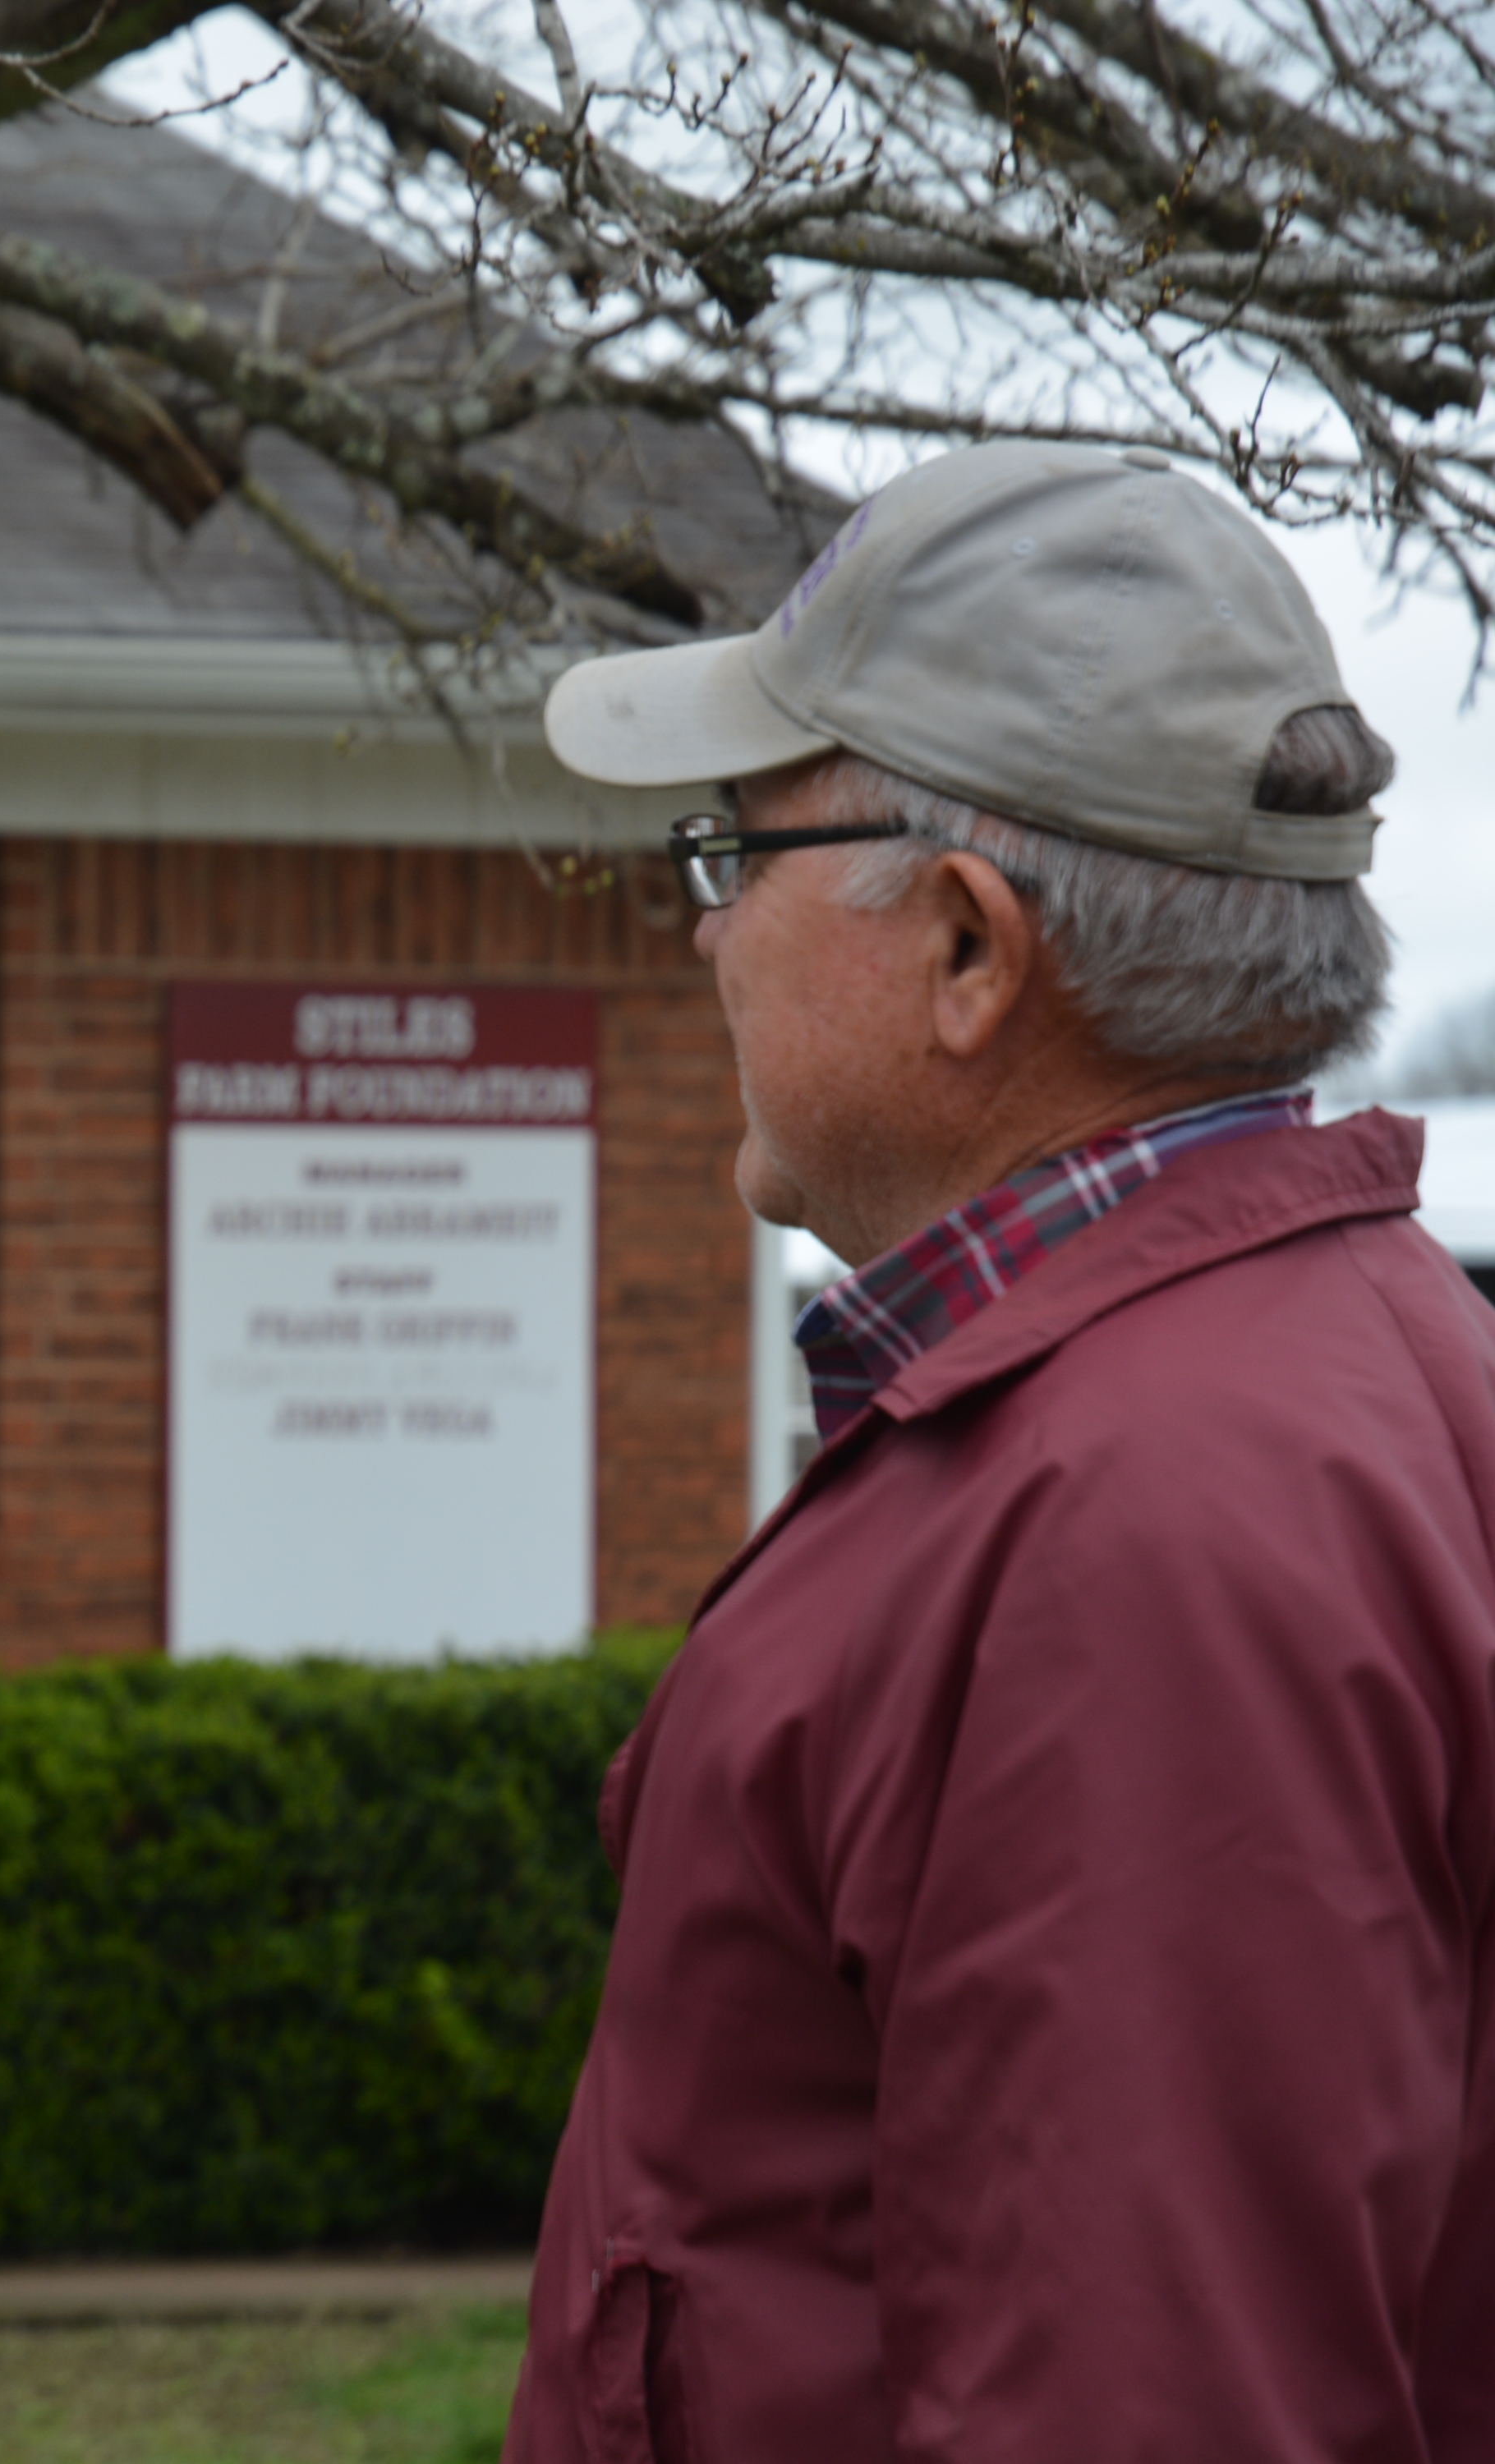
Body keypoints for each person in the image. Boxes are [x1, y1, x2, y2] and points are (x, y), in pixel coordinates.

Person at [510, 439, 1495, 2461]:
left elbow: (1146, 2398)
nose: (702, 935)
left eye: (733, 856)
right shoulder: (1318, 1380)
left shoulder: (1137, 1527)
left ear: (967, 947)